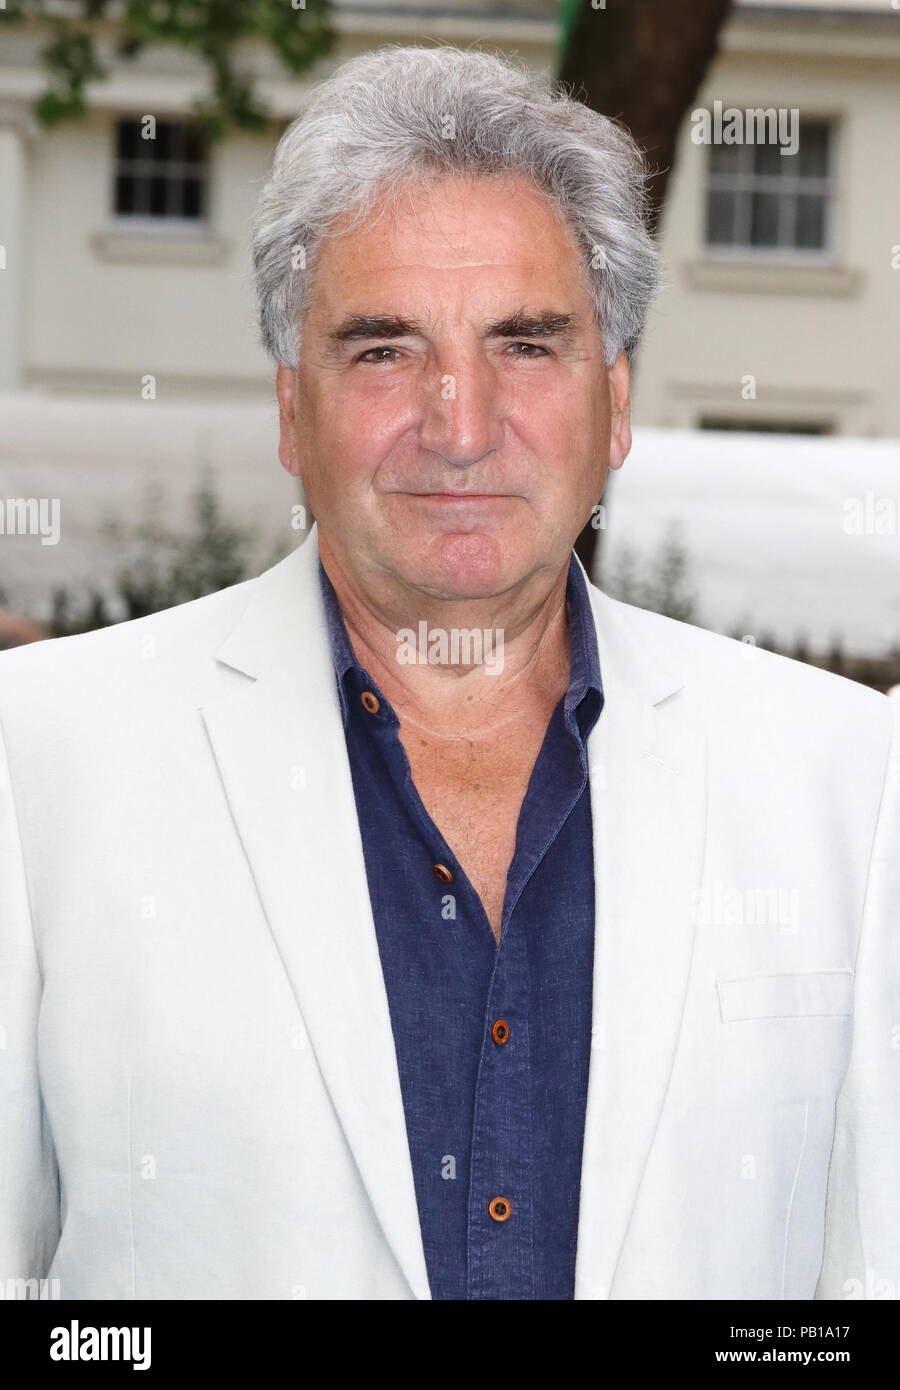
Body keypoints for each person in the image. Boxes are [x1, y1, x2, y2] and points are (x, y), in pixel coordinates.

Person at [1, 45, 897, 1302]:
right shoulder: (36, 763)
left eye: (527, 345)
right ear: (289, 413)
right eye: (381, 350)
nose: (460, 423)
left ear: (617, 401)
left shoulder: (850, 782)